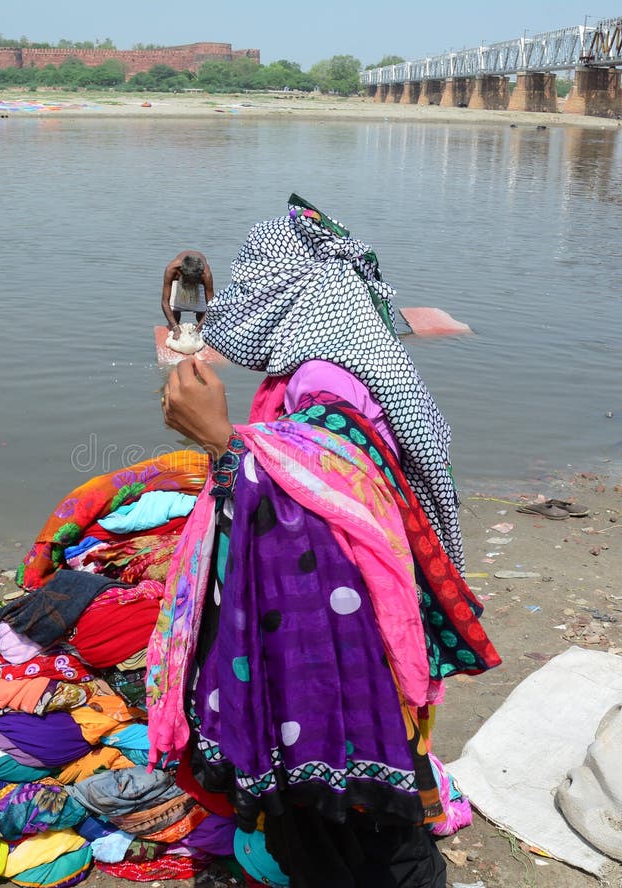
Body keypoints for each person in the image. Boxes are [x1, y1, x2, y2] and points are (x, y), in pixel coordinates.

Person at [147, 195, 501, 887]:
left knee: (356, 830)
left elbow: (323, 491)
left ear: (293, 298)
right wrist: (187, 323)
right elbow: (291, 448)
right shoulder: (332, 353)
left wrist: (220, 441)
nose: (242, 301)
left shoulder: (327, 379)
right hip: (340, 617)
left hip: (336, 640)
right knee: (350, 821)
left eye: (252, 287)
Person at [161, 251, 213, 335]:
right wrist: (175, 328)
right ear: (181, 272)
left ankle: (200, 327)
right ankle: (175, 327)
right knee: (174, 311)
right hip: (180, 279)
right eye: (190, 281)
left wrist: (197, 330)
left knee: (202, 312)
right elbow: (165, 302)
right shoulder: (171, 270)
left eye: (194, 281)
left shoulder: (206, 275)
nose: (191, 285)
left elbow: (211, 306)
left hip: (198, 280)